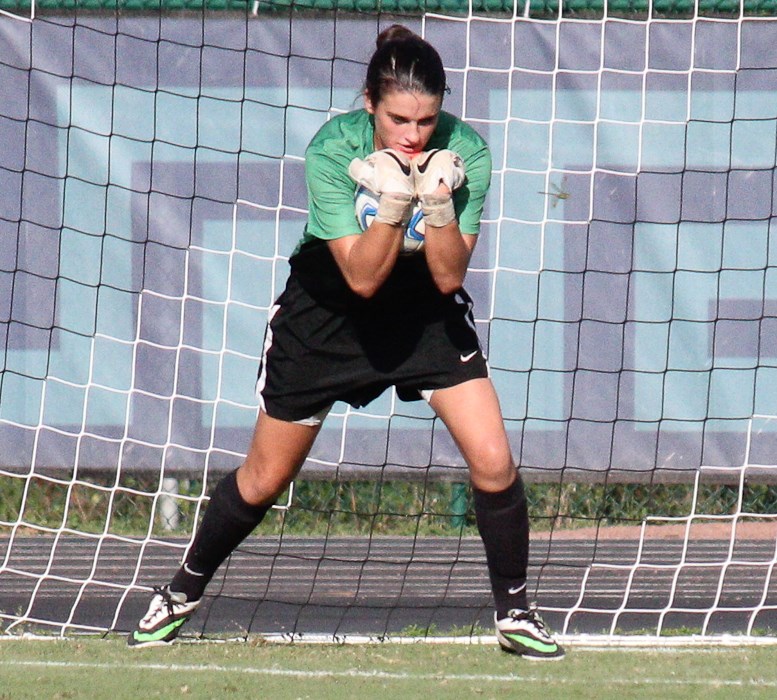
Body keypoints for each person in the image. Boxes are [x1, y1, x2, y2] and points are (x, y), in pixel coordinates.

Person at [128, 24, 564, 661]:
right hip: (328, 315)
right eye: (398, 119)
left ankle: (516, 614)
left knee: (494, 460)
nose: (413, 135)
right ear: (369, 103)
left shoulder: (465, 149)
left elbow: (448, 276)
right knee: (263, 479)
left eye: (426, 119)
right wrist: (393, 199)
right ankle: (181, 592)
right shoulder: (333, 148)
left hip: (422, 313)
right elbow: (360, 277)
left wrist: (437, 205)